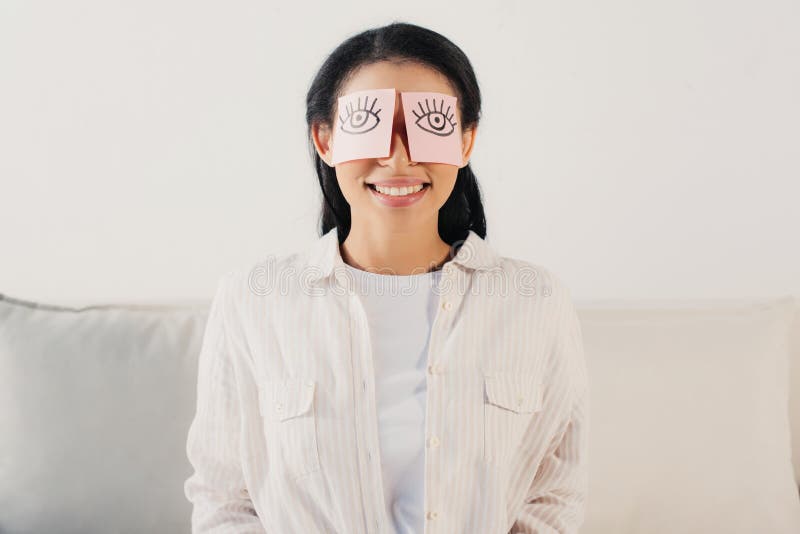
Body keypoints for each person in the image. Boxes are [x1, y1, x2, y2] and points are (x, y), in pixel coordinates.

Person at [184, 21, 589, 534]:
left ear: (466, 141)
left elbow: (553, 494)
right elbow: (225, 501)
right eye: (369, 126)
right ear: (324, 140)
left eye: (430, 126)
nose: (398, 156)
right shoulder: (252, 302)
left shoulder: (535, 302)